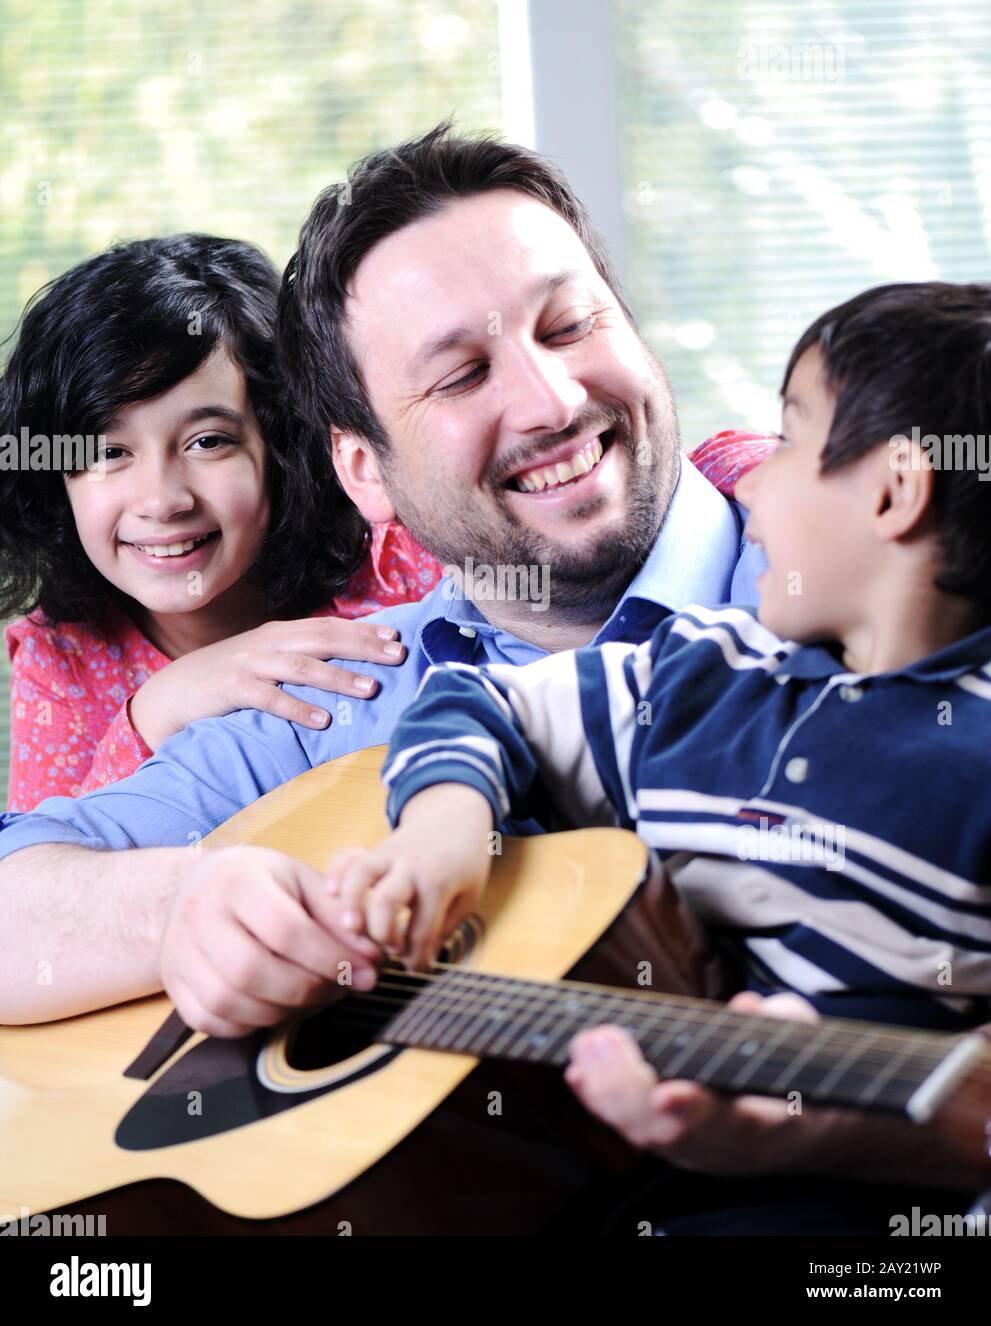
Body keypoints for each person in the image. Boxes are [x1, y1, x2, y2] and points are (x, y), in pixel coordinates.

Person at [0, 122, 937, 1207]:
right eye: (460, 375)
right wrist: (182, 907)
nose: (547, 403)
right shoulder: (338, 693)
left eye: (571, 323)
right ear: (363, 470)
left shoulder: (893, 580)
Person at [327, 280, 991, 1225]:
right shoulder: (708, 681)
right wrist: (441, 835)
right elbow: (479, 701)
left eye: (793, 442)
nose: (751, 475)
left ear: (894, 489)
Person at [0, 234, 431, 809]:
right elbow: (39, 877)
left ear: (282, 448)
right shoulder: (65, 658)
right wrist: (157, 709)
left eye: (208, 442)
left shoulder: (406, 559)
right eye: (108, 453)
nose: (161, 500)